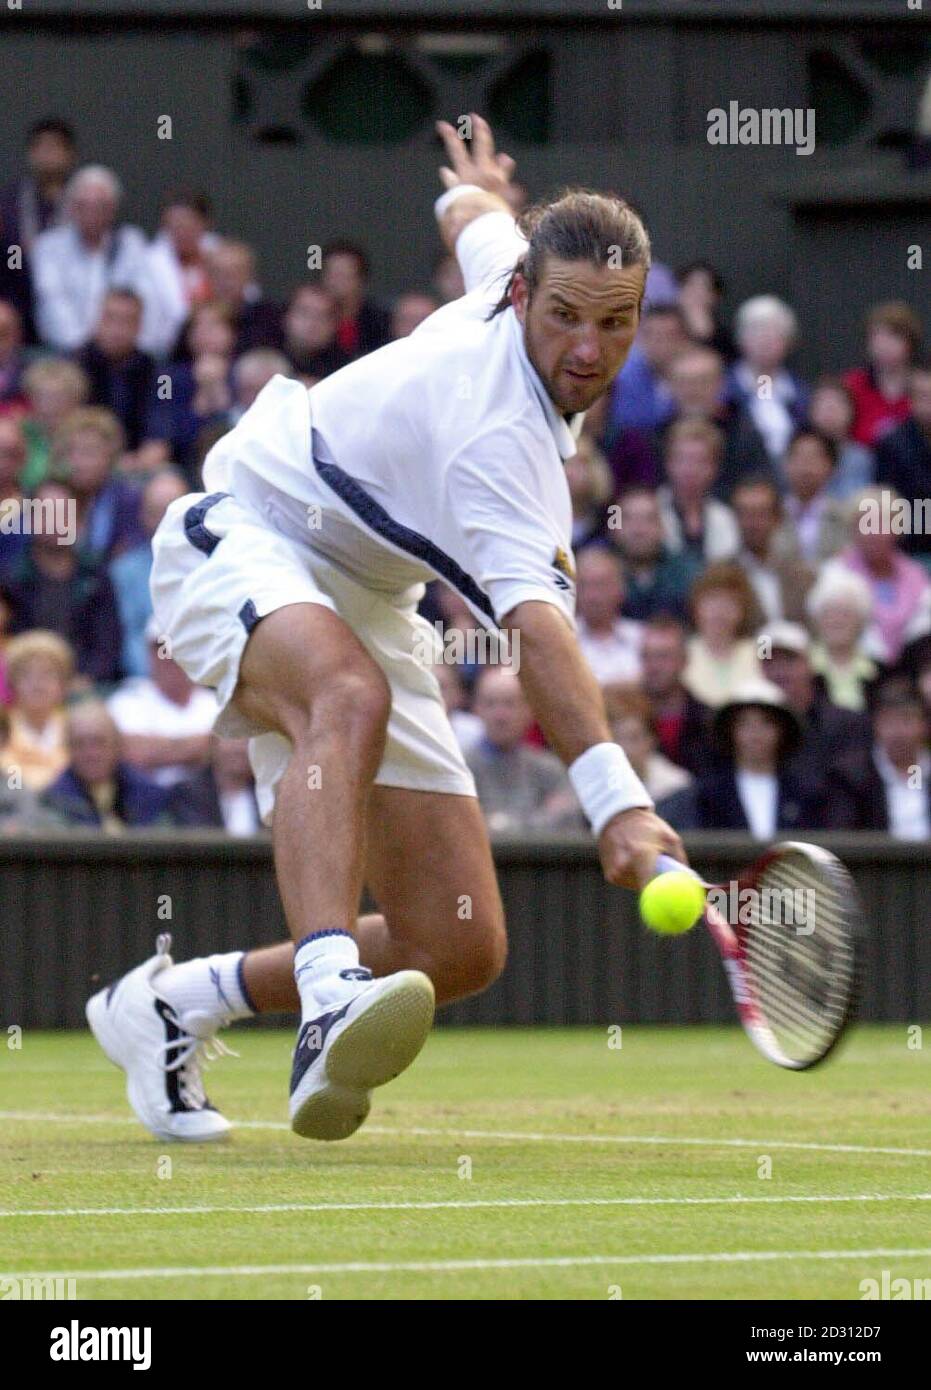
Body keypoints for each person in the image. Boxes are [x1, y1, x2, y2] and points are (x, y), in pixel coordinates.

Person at [87, 114, 684, 1146]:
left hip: (368, 594)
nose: (588, 349)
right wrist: (617, 806)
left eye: (617, 322)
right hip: (247, 530)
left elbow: (480, 221)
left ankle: (171, 1003)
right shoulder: (500, 451)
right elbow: (539, 637)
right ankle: (327, 999)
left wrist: (478, 187)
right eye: (566, 318)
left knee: (454, 946)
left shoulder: (518, 273)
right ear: (520, 300)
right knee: (344, 693)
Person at [31, 165, 154, 352]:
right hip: (65, 351)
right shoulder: (48, 246)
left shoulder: (131, 243)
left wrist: (115, 341)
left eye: (100, 206)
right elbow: (53, 303)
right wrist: (86, 348)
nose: (92, 212)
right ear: (70, 207)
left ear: (113, 209)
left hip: (122, 351)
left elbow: (140, 298)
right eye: (83, 205)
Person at [695, 678, 826, 834]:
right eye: (744, 723)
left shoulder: (806, 793)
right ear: (730, 731)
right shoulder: (708, 795)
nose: (755, 733)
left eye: (766, 723)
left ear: (782, 730)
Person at [465, 667, 582, 832]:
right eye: (490, 704)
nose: (500, 716)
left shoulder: (550, 770)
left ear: (529, 710)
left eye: (509, 704)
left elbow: (567, 819)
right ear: (476, 709)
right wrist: (535, 820)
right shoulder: (462, 769)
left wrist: (499, 824)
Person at [106, 619, 218, 786]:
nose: (169, 657)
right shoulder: (126, 702)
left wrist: (158, 748)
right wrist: (203, 746)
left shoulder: (215, 703)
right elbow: (132, 753)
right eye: (162, 649)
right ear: (149, 653)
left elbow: (230, 754)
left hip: (206, 803)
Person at [40, 700, 173, 831]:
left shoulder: (149, 794)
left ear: (117, 745)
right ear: (68, 749)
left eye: (99, 742)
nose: (91, 754)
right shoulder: (52, 801)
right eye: (79, 744)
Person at [109, 469, 190, 678]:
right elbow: (130, 635)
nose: (166, 522)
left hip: (205, 684)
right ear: (143, 516)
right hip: (144, 682)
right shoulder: (123, 572)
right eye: (157, 513)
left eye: (172, 513)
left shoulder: (213, 566)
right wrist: (160, 681)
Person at [828, 680, 931, 838]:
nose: (898, 732)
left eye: (907, 720)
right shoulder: (852, 776)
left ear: (924, 725)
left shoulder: (923, 770)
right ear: (875, 725)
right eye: (889, 722)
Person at [725, 295, 809, 469]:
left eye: (774, 334)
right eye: (756, 331)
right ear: (741, 339)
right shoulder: (722, 387)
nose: (764, 341)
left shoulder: (801, 393)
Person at [74, 289, 160, 450]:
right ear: (97, 320)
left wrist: (151, 451)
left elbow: (160, 428)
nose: (117, 329)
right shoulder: (74, 365)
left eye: (127, 321)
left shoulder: (160, 375)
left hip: (136, 461)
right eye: (110, 318)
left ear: (139, 326)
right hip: (83, 459)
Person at [603, 683, 695, 829]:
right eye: (616, 739)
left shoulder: (678, 788)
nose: (625, 749)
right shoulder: (585, 789)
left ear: (652, 740)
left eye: (634, 738)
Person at [607, 486, 701, 623]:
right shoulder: (599, 574)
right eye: (628, 519)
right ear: (614, 529)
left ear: (662, 528)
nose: (638, 530)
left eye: (648, 519)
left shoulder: (687, 574)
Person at [731, 475, 814, 624]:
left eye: (761, 514)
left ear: (777, 519)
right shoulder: (723, 577)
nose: (753, 523)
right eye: (745, 514)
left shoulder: (801, 576)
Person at [142, 191, 216, 358]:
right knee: (165, 383)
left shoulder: (223, 256)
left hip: (218, 352)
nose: (181, 233)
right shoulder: (148, 264)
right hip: (166, 354)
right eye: (174, 226)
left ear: (206, 223)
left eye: (188, 225)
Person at [874, 361, 931, 573]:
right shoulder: (892, 444)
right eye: (922, 396)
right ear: (911, 399)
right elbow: (886, 505)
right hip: (907, 550)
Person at [657, 419, 740, 563]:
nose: (690, 470)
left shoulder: (725, 517)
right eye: (682, 459)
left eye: (700, 461)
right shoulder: (652, 510)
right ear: (668, 463)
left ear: (715, 468)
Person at [638, 615, 711, 776]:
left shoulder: (708, 722)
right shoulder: (627, 720)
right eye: (646, 656)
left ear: (684, 660)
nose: (653, 666)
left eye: (663, 656)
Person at [0, 630, 72, 792]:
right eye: (27, 675)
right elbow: (12, 788)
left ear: (63, 685)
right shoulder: (3, 729)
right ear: (12, 684)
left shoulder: (75, 730)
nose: (37, 684)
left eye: (48, 674)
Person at [683, 561, 761, 708]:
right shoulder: (682, 651)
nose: (720, 611)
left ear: (743, 610)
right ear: (696, 605)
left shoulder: (761, 650)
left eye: (730, 602)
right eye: (712, 600)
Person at [843, 302, 922, 447]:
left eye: (892, 336)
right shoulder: (852, 385)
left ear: (910, 343)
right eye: (876, 336)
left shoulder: (923, 387)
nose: (882, 345)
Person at [806, 568, 879, 713]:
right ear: (816, 620)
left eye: (845, 613)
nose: (837, 621)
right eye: (828, 613)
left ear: (861, 620)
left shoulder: (878, 670)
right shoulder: (804, 668)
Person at [574, 545, 643, 685]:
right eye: (584, 585)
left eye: (600, 585)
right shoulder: (562, 638)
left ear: (621, 589)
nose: (592, 596)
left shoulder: (643, 638)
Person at [779, 429, 847, 566]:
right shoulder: (772, 514)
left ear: (832, 467)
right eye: (799, 457)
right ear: (785, 465)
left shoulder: (845, 517)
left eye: (814, 458)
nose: (806, 466)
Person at [205, 239, 283, 356]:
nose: (225, 281)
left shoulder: (268, 318)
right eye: (218, 273)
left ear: (250, 275)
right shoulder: (196, 318)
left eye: (234, 273)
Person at [321, 241, 392, 358]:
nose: (335, 283)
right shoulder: (305, 319)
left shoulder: (379, 323)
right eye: (331, 274)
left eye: (343, 275)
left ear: (361, 280)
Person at [808, 376, 874, 500]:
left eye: (838, 402)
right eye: (823, 402)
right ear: (811, 411)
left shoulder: (861, 458)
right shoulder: (799, 455)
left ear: (852, 411)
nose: (830, 409)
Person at [282, 284, 351, 385]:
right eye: (304, 313)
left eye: (322, 317)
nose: (312, 323)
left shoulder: (345, 370)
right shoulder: (265, 348)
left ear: (334, 325)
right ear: (287, 316)